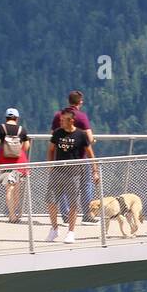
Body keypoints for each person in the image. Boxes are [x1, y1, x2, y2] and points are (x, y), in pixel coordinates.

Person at [46, 110, 97, 244]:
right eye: (60, 120)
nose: (60, 122)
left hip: (74, 173)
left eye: (63, 120)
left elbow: (90, 154)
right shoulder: (57, 133)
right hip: (57, 172)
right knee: (50, 200)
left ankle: (71, 232)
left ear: (71, 121)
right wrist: (51, 166)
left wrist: (95, 170)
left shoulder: (81, 135)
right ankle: (54, 229)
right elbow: (51, 149)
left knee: (73, 202)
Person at [51, 91, 97, 224]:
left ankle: (66, 215)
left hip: (61, 158)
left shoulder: (58, 116)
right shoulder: (81, 117)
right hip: (80, 158)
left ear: (68, 100)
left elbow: (53, 135)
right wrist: (92, 141)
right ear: (80, 102)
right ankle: (87, 214)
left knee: (64, 186)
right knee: (86, 185)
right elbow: (89, 138)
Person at [0, 108, 30, 223]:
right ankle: (16, 214)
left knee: (9, 188)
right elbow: (26, 147)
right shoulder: (22, 130)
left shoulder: (1, 128)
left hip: (5, 161)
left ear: (6, 117)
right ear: (17, 118)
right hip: (19, 162)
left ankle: (12, 215)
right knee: (16, 189)